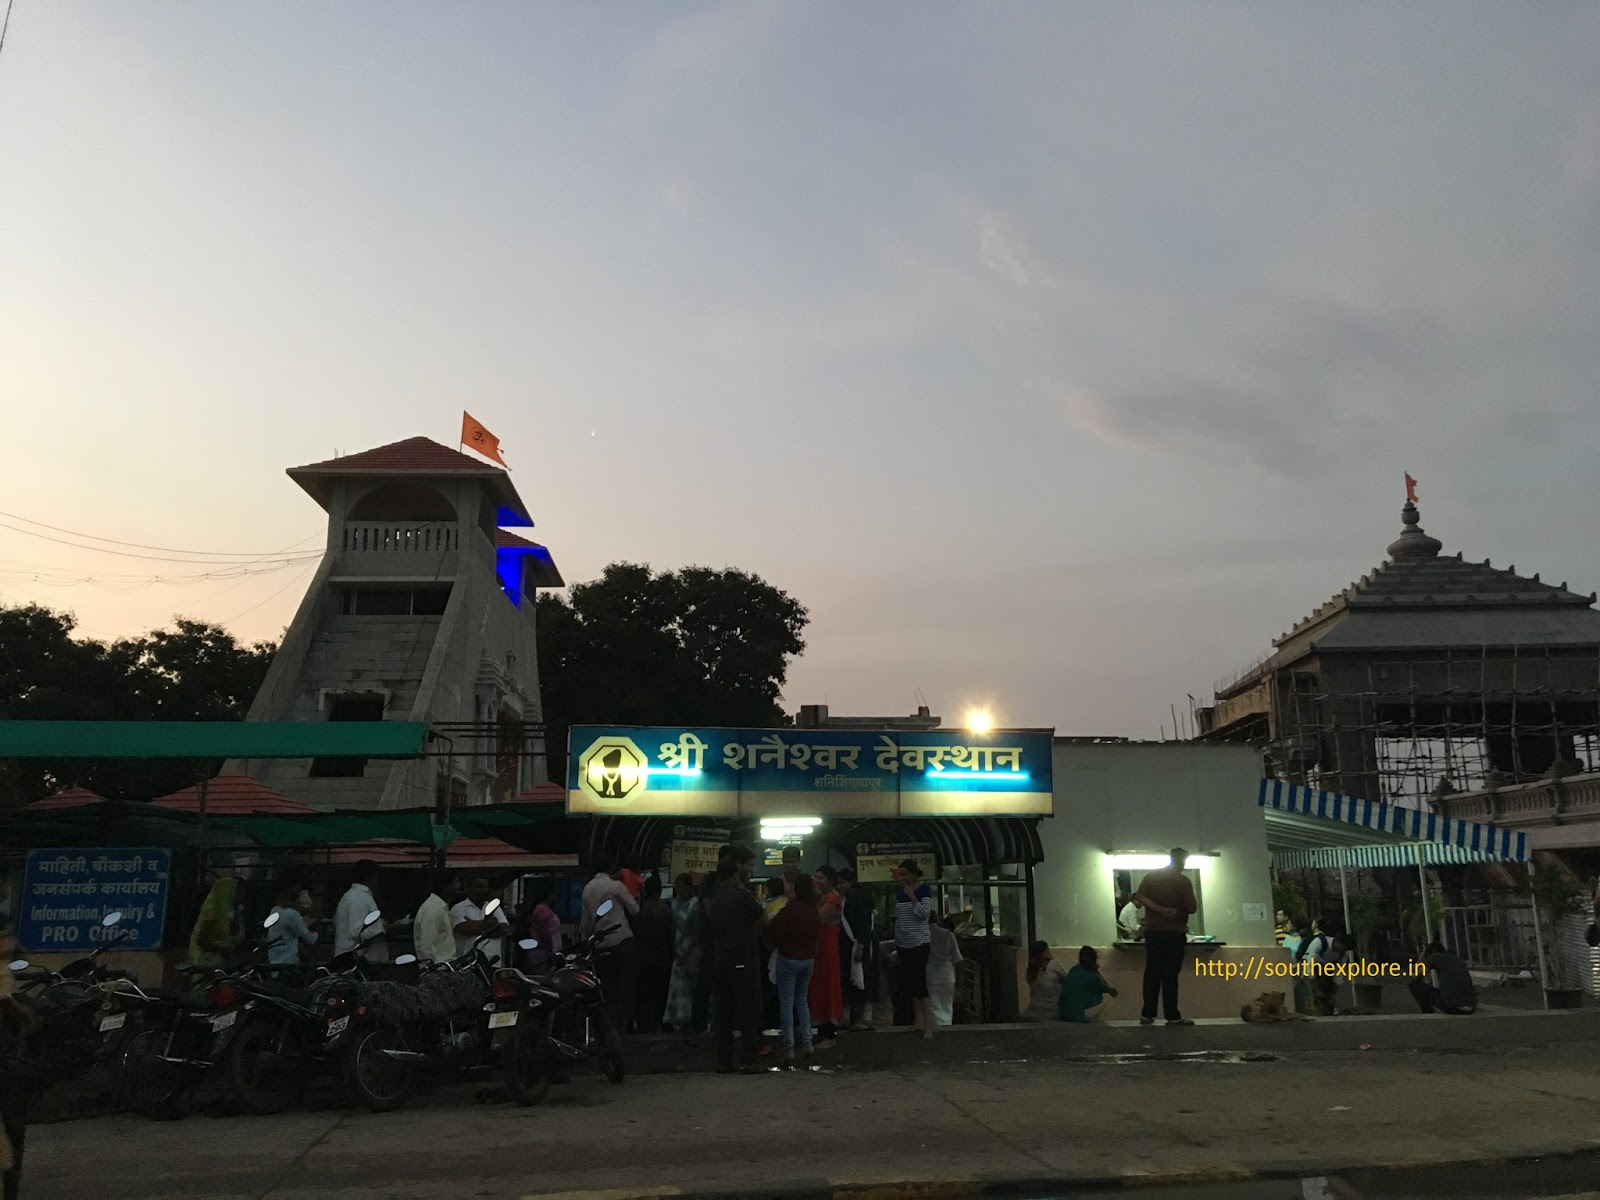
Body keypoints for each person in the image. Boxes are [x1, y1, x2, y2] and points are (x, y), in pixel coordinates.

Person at [706, 846, 764, 1073]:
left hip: (720, 960)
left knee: (723, 1012)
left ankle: (724, 1060)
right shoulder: (741, 897)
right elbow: (764, 919)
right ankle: (749, 1060)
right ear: (734, 875)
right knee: (747, 1010)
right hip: (742, 959)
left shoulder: (715, 899)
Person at [1132, 847, 1197, 1026]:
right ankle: (1172, 1015)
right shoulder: (1183, 881)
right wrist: (1171, 909)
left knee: (1151, 972)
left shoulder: (1152, 876)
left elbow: (1139, 897)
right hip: (1174, 932)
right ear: (1183, 861)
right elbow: (1192, 908)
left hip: (1153, 931)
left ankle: (1147, 1013)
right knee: (1170, 975)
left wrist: (1158, 909)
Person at [579, 858, 640, 1033]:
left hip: (600, 945)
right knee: (627, 985)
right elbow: (634, 909)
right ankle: (625, 1025)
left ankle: (607, 1028)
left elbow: (586, 923)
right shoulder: (616, 886)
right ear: (611, 868)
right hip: (622, 940)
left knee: (606, 988)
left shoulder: (587, 889)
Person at [768, 873, 820, 1067]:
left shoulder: (789, 911)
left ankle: (788, 1048)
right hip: (808, 959)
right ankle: (808, 1043)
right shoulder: (813, 909)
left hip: (789, 958)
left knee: (786, 1003)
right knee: (802, 1001)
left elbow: (775, 932)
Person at [893, 859, 935, 1038]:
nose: (902, 878)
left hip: (919, 943)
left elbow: (924, 915)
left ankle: (929, 1025)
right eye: (900, 874)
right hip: (903, 942)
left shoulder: (924, 890)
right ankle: (918, 1020)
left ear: (914, 874)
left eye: (905, 874)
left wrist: (912, 896)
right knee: (910, 982)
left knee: (920, 982)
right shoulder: (899, 892)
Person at [633, 874, 675, 1034]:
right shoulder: (665, 911)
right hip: (661, 959)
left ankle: (643, 1025)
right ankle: (657, 1022)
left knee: (642, 994)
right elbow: (671, 937)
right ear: (659, 892)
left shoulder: (638, 911)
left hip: (642, 959)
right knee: (659, 994)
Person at [809, 866, 845, 1048]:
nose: (816, 880)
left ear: (830, 881)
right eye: (815, 876)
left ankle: (829, 1035)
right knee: (819, 988)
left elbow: (818, 919)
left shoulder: (833, 898)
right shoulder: (822, 898)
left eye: (820, 877)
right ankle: (822, 1030)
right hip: (819, 949)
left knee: (828, 987)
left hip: (828, 949)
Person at [837, 868, 875, 1030]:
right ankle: (857, 1019)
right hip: (857, 943)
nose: (839, 886)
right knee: (858, 980)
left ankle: (856, 1019)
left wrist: (860, 945)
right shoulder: (860, 896)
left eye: (842, 883)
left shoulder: (854, 897)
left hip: (854, 944)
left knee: (855, 980)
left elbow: (862, 922)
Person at [665, 873, 702, 1030]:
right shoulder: (673, 904)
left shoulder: (695, 905)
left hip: (691, 951)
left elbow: (697, 932)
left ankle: (691, 1020)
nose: (678, 890)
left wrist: (686, 952)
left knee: (691, 987)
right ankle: (678, 1019)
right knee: (678, 987)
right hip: (677, 948)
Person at [451, 876, 511, 966]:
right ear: (468, 888)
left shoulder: (494, 907)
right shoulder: (458, 908)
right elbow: (462, 928)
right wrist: (492, 923)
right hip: (468, 963)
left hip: (493, 962)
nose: (484, 890)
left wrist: (475, 925)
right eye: (479, 886)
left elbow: (505, 929)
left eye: (485, 886)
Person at [335, 861, 388, 962]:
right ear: (371, 877)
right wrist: (383, 929)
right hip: (358, 961)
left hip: (357, 959)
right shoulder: (360, 898)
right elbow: (357, 931)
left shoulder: (353, 896)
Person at [1410, 941, 1478, 1015]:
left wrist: (1420, 960)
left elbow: (1417, 976)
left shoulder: (1434, 956)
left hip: (1453, 1007)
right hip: (1471, 1007)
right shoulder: (1457, 958)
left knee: (1413, 985)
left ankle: (1428, 1013)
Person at [188, 873, 239, 968]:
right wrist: (222, 949)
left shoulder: (227, 912)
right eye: (237, 891)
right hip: (206, 963)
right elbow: (202, 940)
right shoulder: (212, 913)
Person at [266, 876, 319, 966]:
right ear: (290, 888)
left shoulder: (275, 910)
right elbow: (309, 938)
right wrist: (316, 931)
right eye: (296, 887)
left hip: (274, 960)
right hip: (288, 962)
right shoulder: (292, 914)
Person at [413, 869, 460, 965]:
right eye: (455, 883)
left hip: (446, 967)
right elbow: (426, 946)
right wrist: (433, 969)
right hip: (438, 970)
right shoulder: (433, 909)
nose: (458, 887)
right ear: (445, 886)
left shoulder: (440, 907)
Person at [1060, 946, 1118, 1022]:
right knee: (1108, 997)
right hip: (1078, 1015)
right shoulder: (1092, 976)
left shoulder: (1073, 969)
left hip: (1064, 1013)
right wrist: (1096, 971)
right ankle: (1098, 1025)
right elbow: (1106, 987)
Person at [927, 915, 964, 1026]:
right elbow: (958, 959)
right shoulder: (948, 934)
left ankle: (936, 1029)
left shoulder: (921, 934)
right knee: (947, 1007)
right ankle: (946, 1026)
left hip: (930, 975)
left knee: (932, 1007)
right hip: (947, 976)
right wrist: (959, 984)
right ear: (937, 921)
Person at [521, 878, 562, 971]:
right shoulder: (543, 910)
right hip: (543, 953)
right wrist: (549, 947)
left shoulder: (540, 909)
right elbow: (543, 931)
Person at [1023, 941, 1067, 1022]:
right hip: (1053, 1013)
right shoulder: (1054, 965)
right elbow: (1067, 981)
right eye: (1047, 950)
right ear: (1043, 952)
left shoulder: (1030, 970)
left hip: (1033, 1012)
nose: (1050, 952)